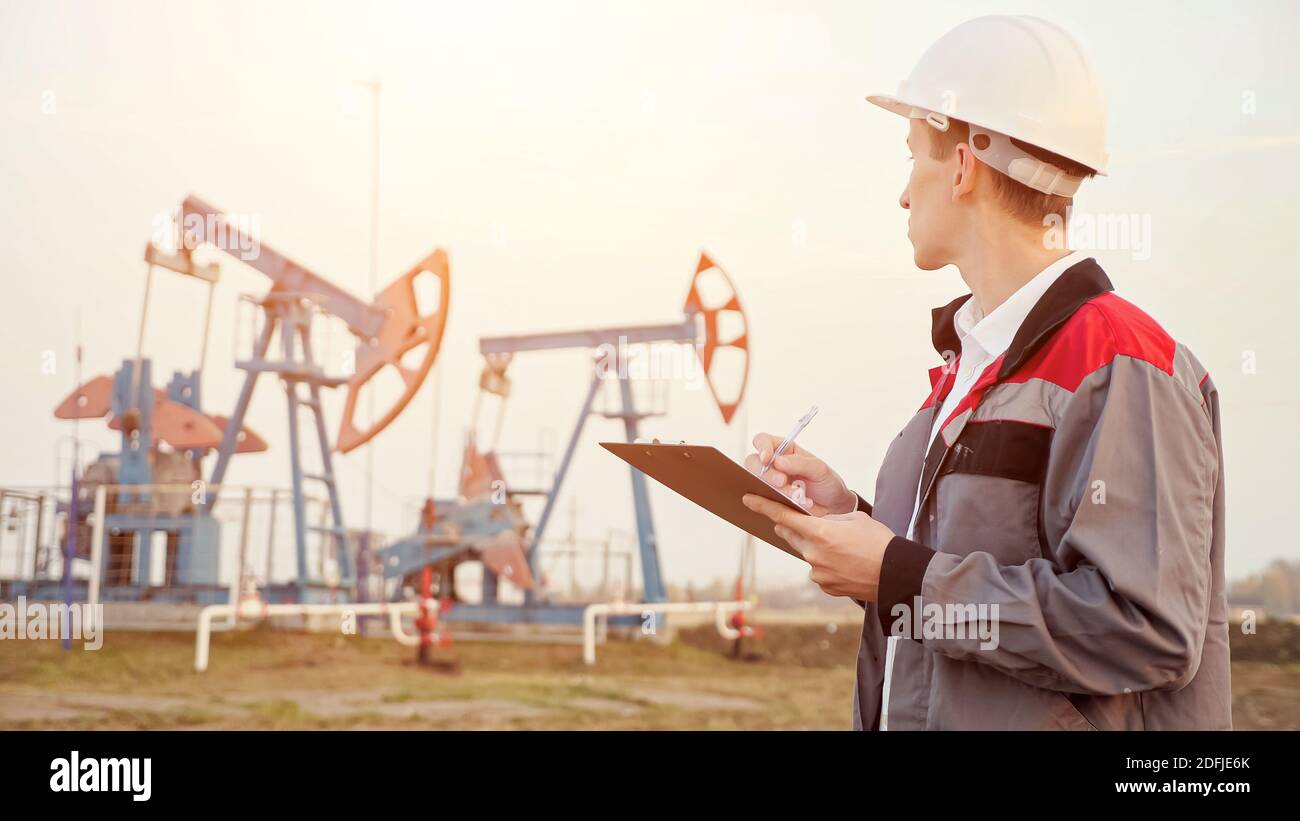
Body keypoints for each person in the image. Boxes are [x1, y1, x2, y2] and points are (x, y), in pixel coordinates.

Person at [741, 15, 1231, 730]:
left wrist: (899, 576)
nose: (904, 194)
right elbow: (959, 578)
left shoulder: (1124, 364)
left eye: (914, 156)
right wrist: (851, 522)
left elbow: (1144, 628)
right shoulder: (970, 367)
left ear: (965, 165)